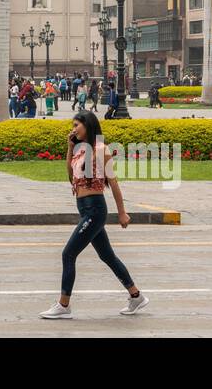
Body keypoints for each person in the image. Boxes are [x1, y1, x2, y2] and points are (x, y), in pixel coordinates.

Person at [40, 112, 147, 320]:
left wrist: (122, 213)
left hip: (95, 210)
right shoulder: (80, 150)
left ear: (87, 125)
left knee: (68, 254)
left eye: (76, 125)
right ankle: (136, 296)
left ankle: (64, 305)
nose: (73, 128)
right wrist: (70, 148)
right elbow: (71, 177)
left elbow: (113, 182)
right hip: (84, 208)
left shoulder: (101, 149)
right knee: (107, 256)